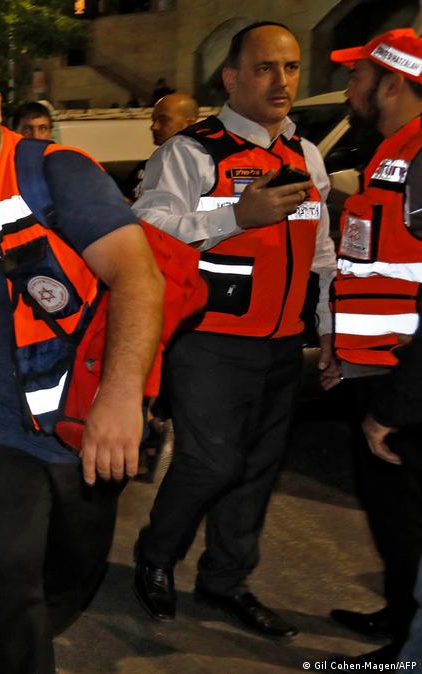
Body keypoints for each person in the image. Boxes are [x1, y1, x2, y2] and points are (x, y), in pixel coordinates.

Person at [0, 55, 164, 674]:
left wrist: (119, 396)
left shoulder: (61, 176)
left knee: (76, 566)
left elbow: (140, 280)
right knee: (9, 578)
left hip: (82, 425)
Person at [132, 21, 337, 639]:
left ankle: (225, 582)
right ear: (231, 77)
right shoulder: (194, 151)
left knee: (255, 470)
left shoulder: (306, 156)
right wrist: (233, 215)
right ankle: (156, 556)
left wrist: (328, 331)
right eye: (265, 68)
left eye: (292, 67)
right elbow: (149, 225)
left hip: (282, 345)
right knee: (212, 462)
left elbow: (322, 252)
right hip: (210, 342)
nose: (282, 81)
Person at [325, 28, 422, 663]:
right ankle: (399, 615)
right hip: (379, 369)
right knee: (391, 517)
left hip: (409, 381)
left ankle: (409, 644)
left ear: (390, 82)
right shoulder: (394, 151)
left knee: (408, 516)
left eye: (357, 74)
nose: (350, 87)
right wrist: (346, 355)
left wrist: (397, 405)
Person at [124, 92, 199, 202]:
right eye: (153, 120)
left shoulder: (204, 169)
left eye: (164, 120)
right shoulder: (144, 167)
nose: (154, 127)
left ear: (189, 125)